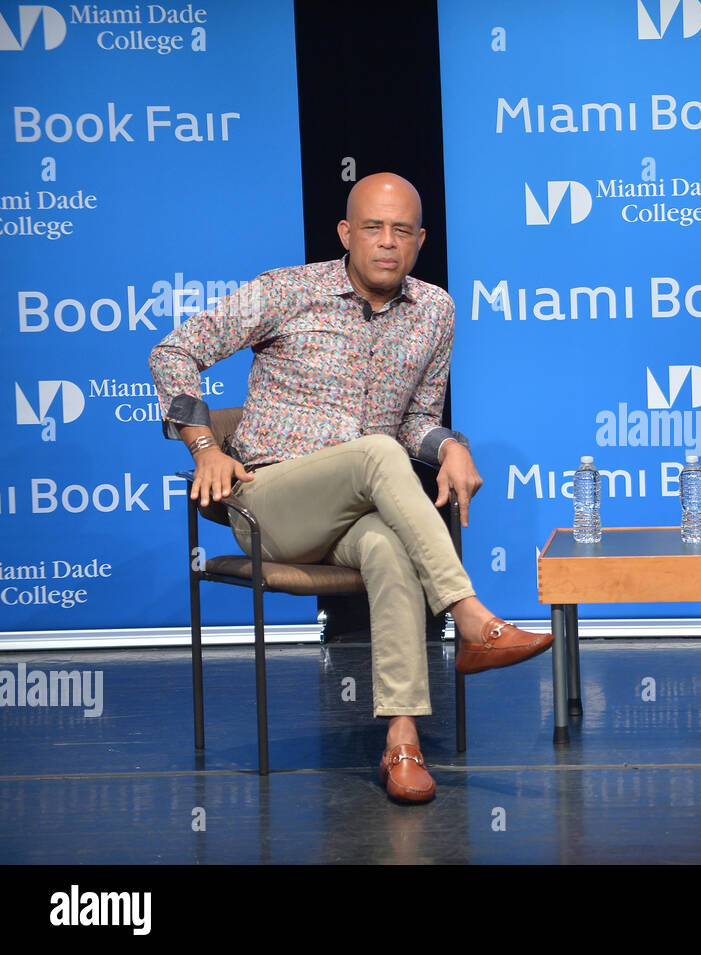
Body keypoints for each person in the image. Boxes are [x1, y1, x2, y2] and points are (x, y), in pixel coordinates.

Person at [149, 172, 553, 804]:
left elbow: (417, 420)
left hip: (356, 509)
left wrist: (449, 444)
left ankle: (402, 742)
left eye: (401, 231)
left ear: (420, 240)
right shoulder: (288, 291)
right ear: (346, 233)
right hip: (269, 501)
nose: (387, 243)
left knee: (391, 550)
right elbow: (174, 352)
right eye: (372, 228)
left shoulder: (435, 312)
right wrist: (204, 445)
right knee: (376, 453)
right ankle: (471, 616)